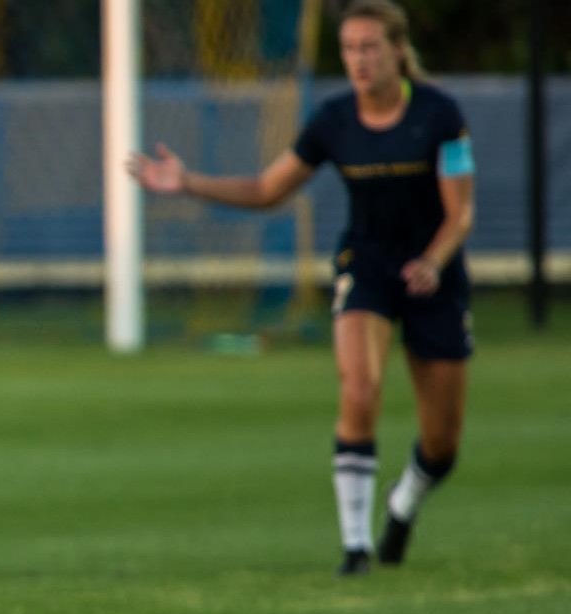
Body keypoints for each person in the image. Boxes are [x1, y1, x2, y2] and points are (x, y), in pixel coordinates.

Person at [128, 0, 474, 577]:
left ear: (396, 49)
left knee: (441, 443)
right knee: (358, 390)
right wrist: (186, 181)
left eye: (370, 47)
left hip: (432, 274)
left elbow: (459, 214)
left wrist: (435, 261)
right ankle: (356, 546)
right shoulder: (335, 120)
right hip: (366, 265)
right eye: (349, 49)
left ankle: (404, 502)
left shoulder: (439, 115)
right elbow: (268, 188)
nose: (359, 60)